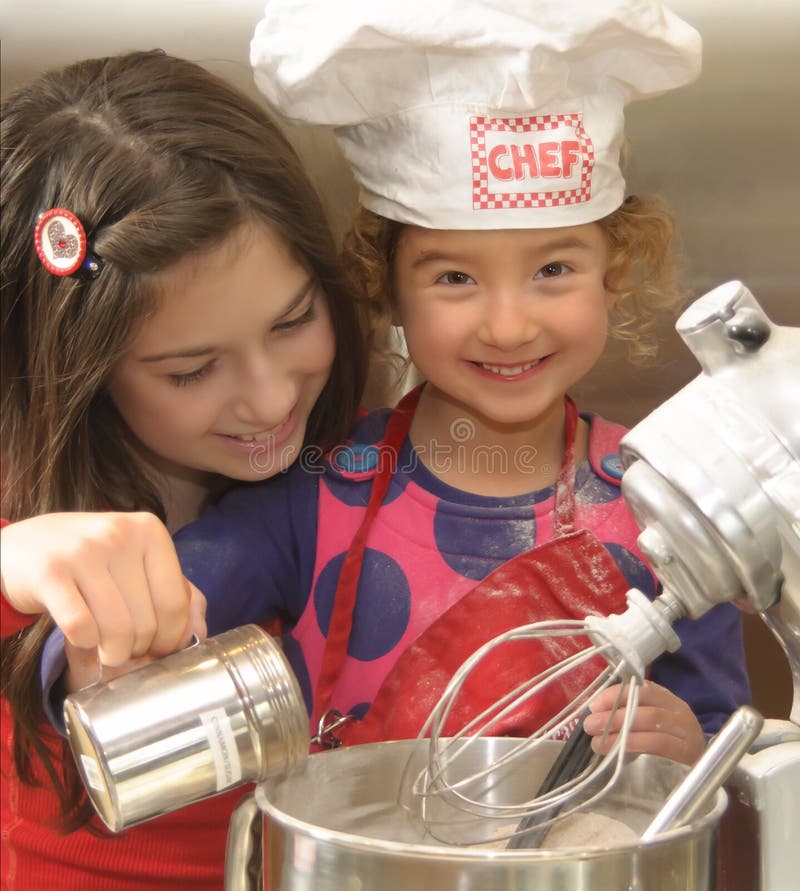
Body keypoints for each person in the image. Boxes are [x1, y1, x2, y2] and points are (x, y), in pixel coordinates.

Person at [166, 0, 750, 762]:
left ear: (616, 267)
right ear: (386, 286)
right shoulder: (313, 494)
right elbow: (152, 618)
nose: (508, 326)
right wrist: (100, 616)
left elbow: (726, 742)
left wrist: (686, 746)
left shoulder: (668, 509)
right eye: (454, 277)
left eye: (553, 268)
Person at [0, 49, 367, 890]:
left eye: (293, 321)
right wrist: (10, 561)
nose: (271, 399)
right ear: (77, 368)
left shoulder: (363, 471)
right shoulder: (24, 512)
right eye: (192, 370)